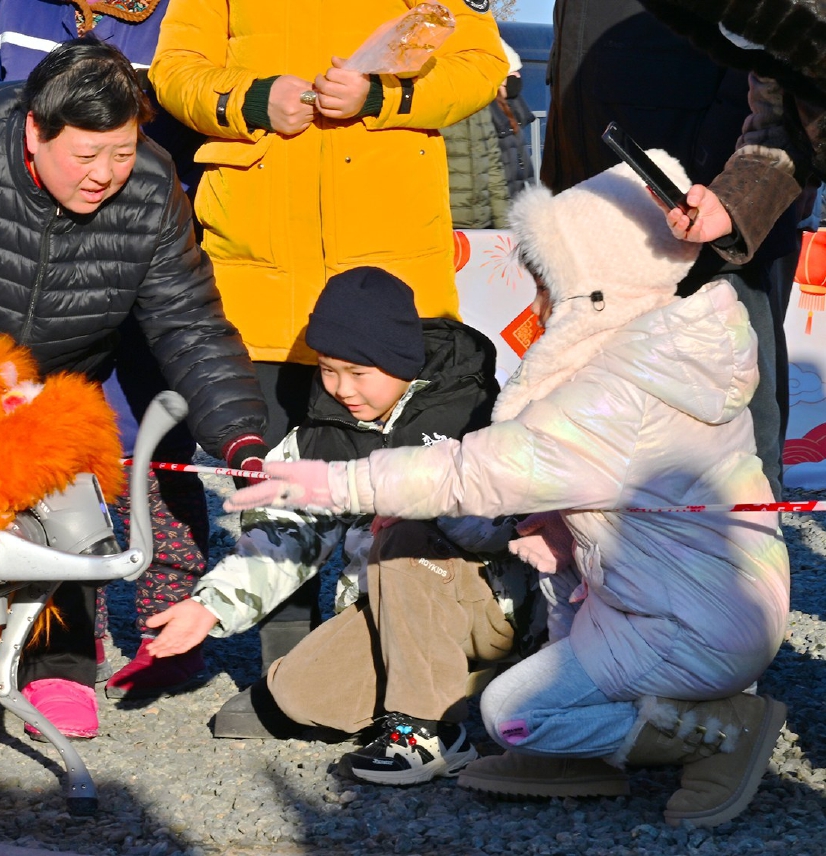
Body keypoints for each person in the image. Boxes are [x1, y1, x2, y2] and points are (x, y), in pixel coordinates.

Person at [227, 153, 791, 829]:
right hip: (683, 596)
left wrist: (333, 480)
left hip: (688, 624)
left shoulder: (616, 394)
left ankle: (721, 733)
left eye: (547, 289)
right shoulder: (663, 351)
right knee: (470, 695)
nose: (537, 309)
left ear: (596, 289)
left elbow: (474, 472)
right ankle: (582, 744)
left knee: (514, 716)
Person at [0, 37, 267, 738]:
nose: (105, 175)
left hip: (59, 369)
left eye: (121, 153)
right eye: (86, 157)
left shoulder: (150, 192)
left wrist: (243, 437)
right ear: (35, 130)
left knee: (66, 511)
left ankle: (57, 666)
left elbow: (188, 321)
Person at [149, 0, 508, 694]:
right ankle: (288, 664)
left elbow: (480, 63)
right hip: (257, 263)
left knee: (411, 465)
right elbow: (175, 72)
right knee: (269, 468)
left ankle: (402, 644)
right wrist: (250, 99)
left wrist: (384, 96)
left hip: (391, 256)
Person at [147, 266, 547, 784]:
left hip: (494, 603)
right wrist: (208, 607)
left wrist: (424, 505)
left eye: (359, 373)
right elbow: (285, 533)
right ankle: (450, 678)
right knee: (296, 697)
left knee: (402, 533)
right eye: (328, 370)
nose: (340, 388)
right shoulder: (321, 432)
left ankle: (428, 733)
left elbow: (516, 526)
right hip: (395, 613)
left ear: (400, 361)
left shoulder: (478, 412)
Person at [0, 0, 214, 700]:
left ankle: (169, 626)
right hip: (38, 259)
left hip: (149, 254)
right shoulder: (20, 8)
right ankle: (67, 641)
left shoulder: (179, 17)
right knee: (58, 451)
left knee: (157, 451)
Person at [542, 0, 799, 500]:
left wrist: (714, 188)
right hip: (600, 218)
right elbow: (570, 86)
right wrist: (557, 216)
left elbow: (764, 79)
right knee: (608, 417)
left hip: (706, 212)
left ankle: (745, 552)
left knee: (734, 412)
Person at [441, 105, 510, 229]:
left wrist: (504, 228)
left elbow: (493, 168)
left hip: (481, 224)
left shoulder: (480, 107)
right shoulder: (434, 104)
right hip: (447, 226)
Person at [489, 39, 535, 200]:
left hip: (518, 197)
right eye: (512, 72)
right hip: (505, 201)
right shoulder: (489, 115)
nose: (518, 76)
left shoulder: (513, 109)